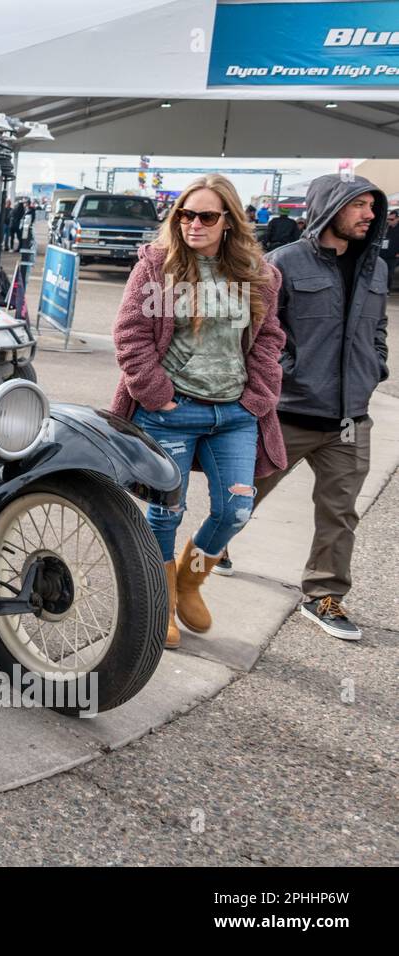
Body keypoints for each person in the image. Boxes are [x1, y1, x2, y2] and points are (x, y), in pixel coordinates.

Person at [110, 174, 285, 649]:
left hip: (235, 413)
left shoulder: (260, 276)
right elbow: (130, 337)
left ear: (229, 221)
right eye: (185, 214)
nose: (193, 224)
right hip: (169, 412)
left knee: (236, 510)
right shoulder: (155, 268)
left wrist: (258, 394)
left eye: (206, 216)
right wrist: (157, 395)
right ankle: (162, 600)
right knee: (166, 514)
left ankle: (189, 581)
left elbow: (269, 338)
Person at [243, 173, 390, 640]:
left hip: (350, 419)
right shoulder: (281, 263)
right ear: (330, 208)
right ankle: (201, 562)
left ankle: (325, 596)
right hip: (288, 414)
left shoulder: (376, 268)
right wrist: (292, 371)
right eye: (359, 205)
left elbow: (377, 328)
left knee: (340, 511)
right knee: (241, 497)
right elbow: (257, 334)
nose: (369, 214)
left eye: (372, 206)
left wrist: (376, 366)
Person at [380, 208, 399, 292]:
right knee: (381, 271)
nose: (389, 221)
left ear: (397, 219)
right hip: (383, 253)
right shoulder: (386, 227)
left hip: (393, 255)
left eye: (391, 219)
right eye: (388, 219)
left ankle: (386, 290)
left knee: (389, 273)